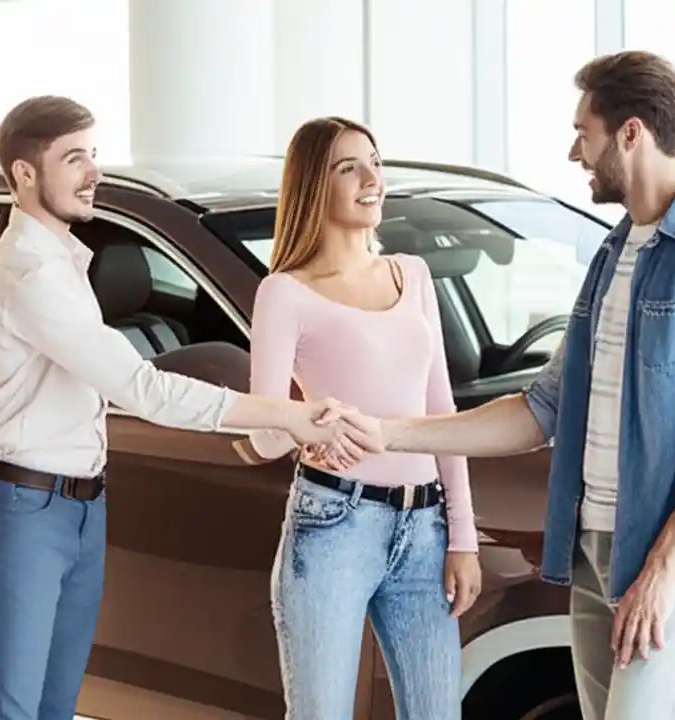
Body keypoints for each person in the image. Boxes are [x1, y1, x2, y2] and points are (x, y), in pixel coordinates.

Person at [341, 51, 675, 720]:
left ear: (631, 132)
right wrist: (389, 430)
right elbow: (541, 409)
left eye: (585, 131)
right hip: (595, 543)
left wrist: (663, 568)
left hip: (674, 559)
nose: (576, 151)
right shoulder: (616, 250)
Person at [0, 96, 378, 720]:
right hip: (22, 511)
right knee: (9, 713)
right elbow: (142, 388)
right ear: (23, 174)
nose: (94, 171)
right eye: (75, 158)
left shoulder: (64, 260)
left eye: (94, 154)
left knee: (53, 710)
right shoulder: (30, 274)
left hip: (77, 506)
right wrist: (282, 414)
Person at [241, 116, 481, 720]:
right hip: (332, 526)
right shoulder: (285, 292)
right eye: (349, 166)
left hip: (425, 528)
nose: (372, 178)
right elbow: (265, 433)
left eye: (375, 161)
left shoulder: (413, 274)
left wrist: (463, 538)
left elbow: (442, 412)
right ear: (312, 185)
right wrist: (307, 423)